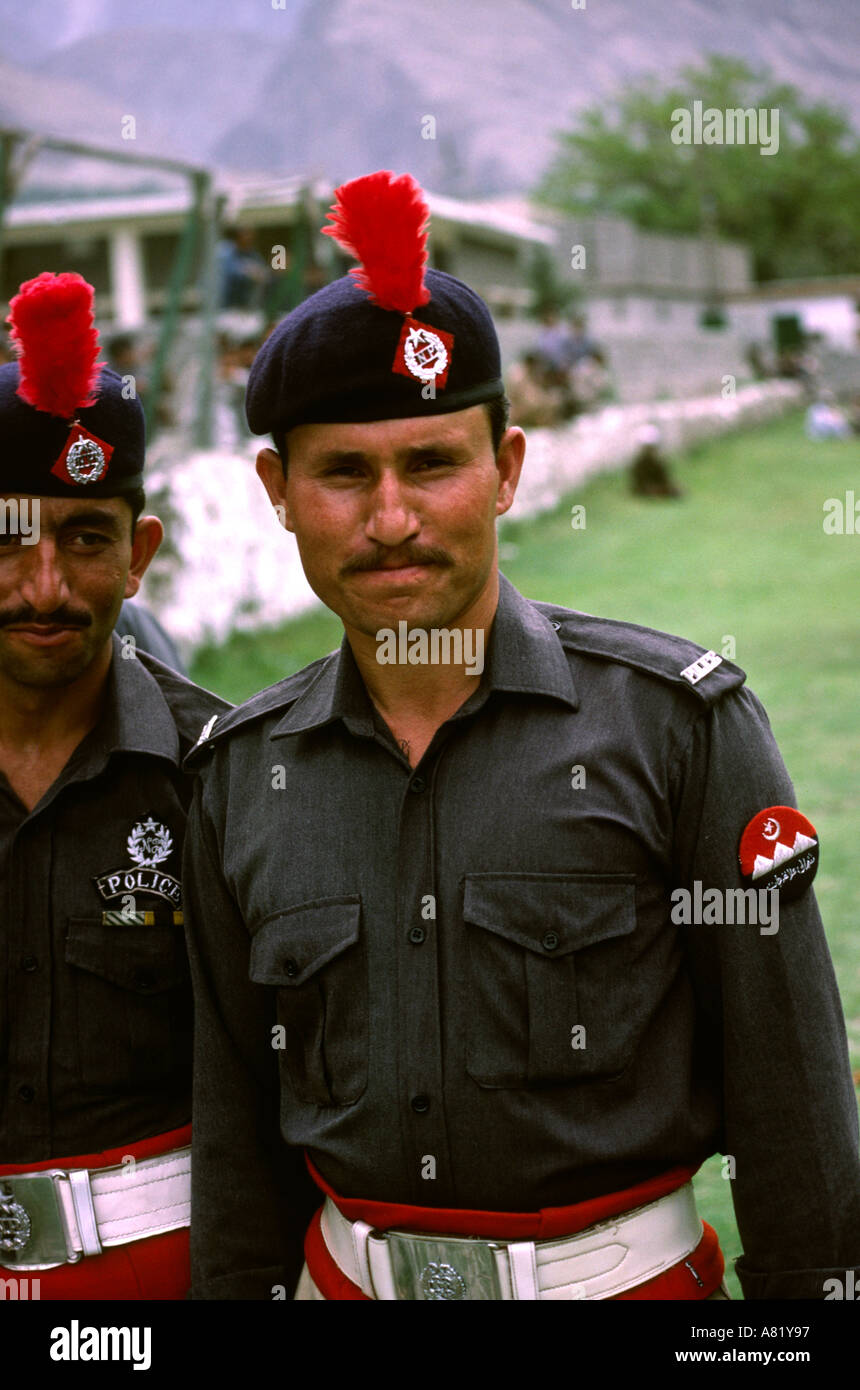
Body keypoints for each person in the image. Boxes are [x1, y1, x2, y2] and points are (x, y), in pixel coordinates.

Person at [183, 171, 860, 1302]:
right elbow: (237, 1132)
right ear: (277, 489)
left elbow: (789, 1092)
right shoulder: (244, 774)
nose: (390, 519)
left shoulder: (677, 726)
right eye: (344, 473)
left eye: (432, 463)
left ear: (504, 470)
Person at [0, 271, 229, 1298]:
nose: (43, 584)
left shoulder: (223, 770)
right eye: (6, 537)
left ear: (138, 556)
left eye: (84, 539)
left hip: (160, 1271)